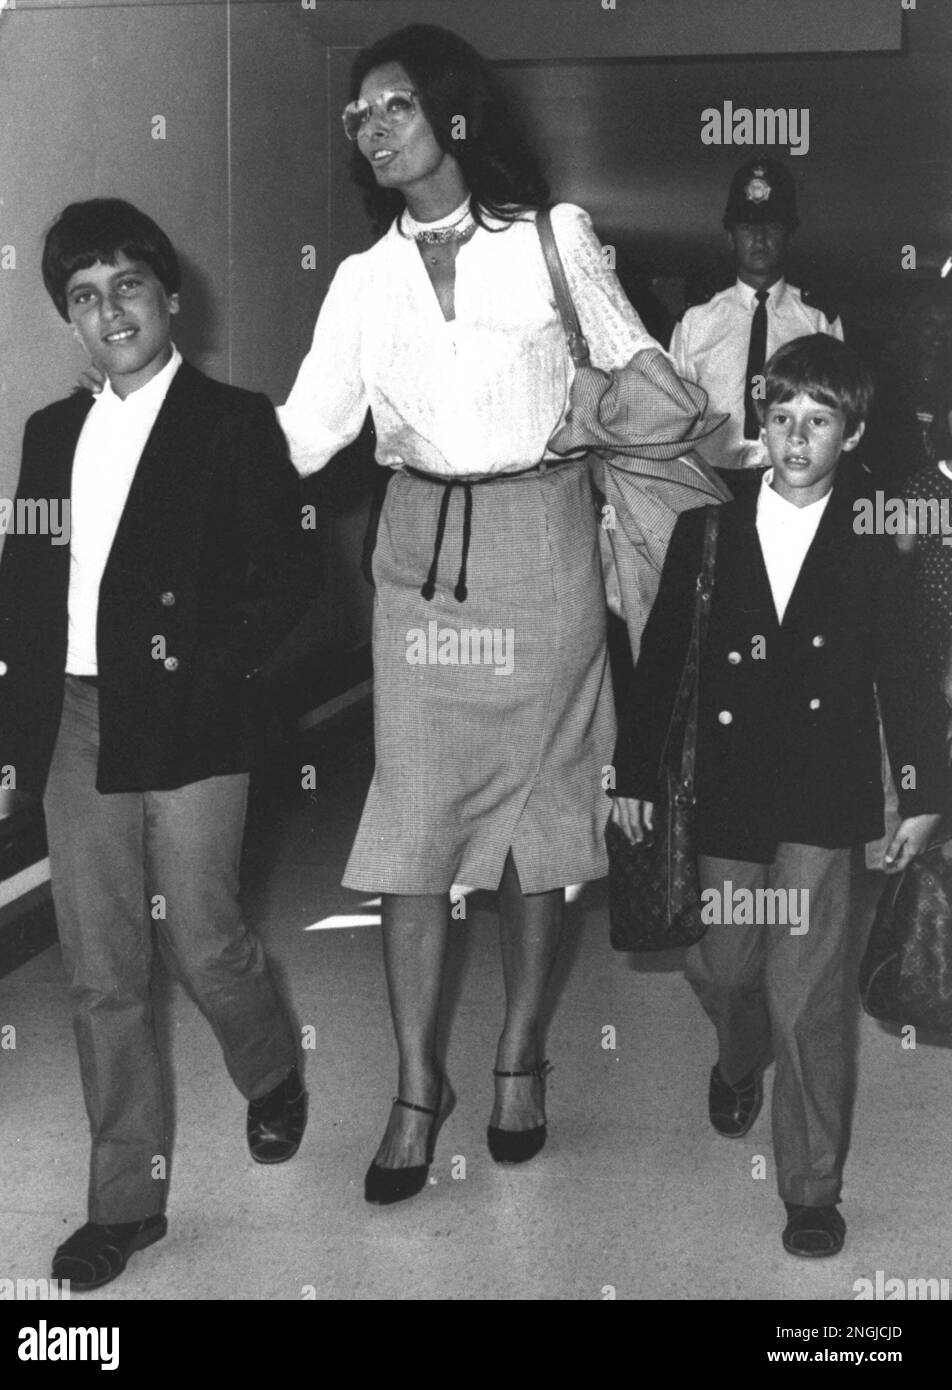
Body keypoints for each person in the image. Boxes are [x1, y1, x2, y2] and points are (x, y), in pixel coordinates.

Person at [277, 23, 698, 1204]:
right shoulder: (361, 281)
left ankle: (518, 1053)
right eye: (358, 116)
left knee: (537, 831)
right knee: (413, 838)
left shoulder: (551, 239)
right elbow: (305, 435)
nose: (372, 127)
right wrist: (183, 462)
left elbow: (641, 367)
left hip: (544, 546)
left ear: (453, 113)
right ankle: (419, 1087)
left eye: (393, 104)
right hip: (418, 560)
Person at [0, 199, 317, 1290]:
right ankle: (126, 1199)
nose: (109, 309)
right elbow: (28, 583)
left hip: (192, 716)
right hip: (77, 717)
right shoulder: (49, 433)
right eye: (84, 295)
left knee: (205, 936)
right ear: (69, 321)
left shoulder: (233, 421)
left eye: (128, 285)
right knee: (102, 965)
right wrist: (0, 693)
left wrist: (209, 674)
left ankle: (269, 1070)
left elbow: (289, 580)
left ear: (170, 297)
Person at [610, 335, 950, 1257]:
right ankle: (735, 1054)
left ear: (854, 433)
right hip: (727, 790)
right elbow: (662, 661)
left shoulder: (878, 535)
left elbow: (908, 669)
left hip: (822, 794)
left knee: (809, 993)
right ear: (761, 421)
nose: (797, 437)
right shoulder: (708, 529)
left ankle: (810, 1188)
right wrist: (635, 774)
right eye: (782, 415)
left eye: (820, 420)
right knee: (726, 967)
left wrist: (920, 786)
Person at [671, 158, 843, 477]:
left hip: (789, 478)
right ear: (730, 237)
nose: (760, 239)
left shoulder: (820, 321)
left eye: (773, 227)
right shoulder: (696, 321)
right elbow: (676, 415)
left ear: (790, 237)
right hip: (711, 478)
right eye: (748, 228)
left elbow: (834, 412)